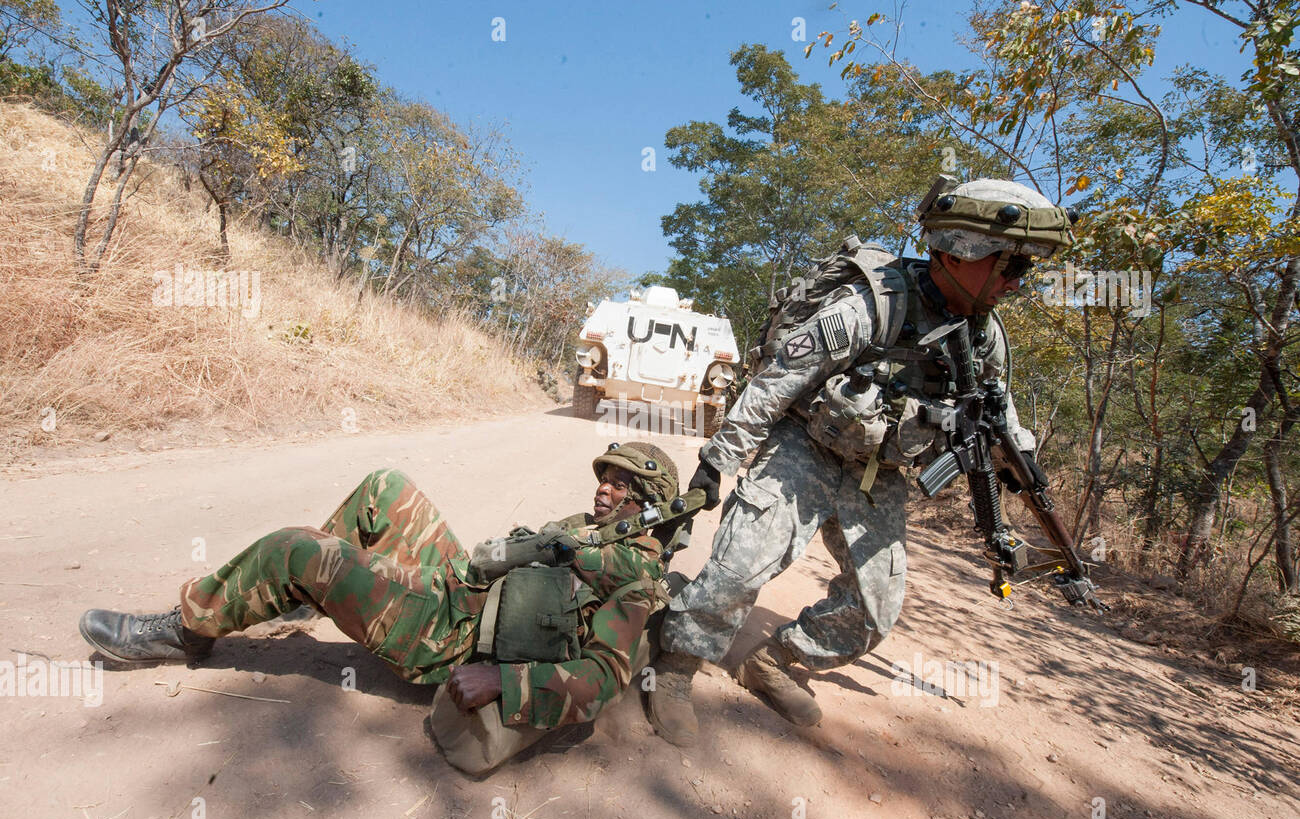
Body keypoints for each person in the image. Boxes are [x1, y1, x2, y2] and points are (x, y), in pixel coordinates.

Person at [647, 178, 1076, 746]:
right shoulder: (874, 305)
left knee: (875, 611)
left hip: (881, 472)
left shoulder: (984, 336)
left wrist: (1021, 461)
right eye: (1008, 264)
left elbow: (1003, 413)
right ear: (955, 252)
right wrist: (717, 459)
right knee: (739, 568)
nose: (1016, 282)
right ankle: (675, 666)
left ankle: (772, 661)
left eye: (1024, 268)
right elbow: (777, 383)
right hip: (806, 448)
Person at [79, 442, 679, 729]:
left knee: (295, 548)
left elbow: (604, 677)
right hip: (464, 586)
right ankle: (304, 592)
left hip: (451, 637)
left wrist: (502, 680)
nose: (604, 488)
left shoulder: (633, 576)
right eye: (605, 477)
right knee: (382, 486)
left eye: (621, 485)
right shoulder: (590, 532)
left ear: (645, 505)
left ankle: (187, 629)